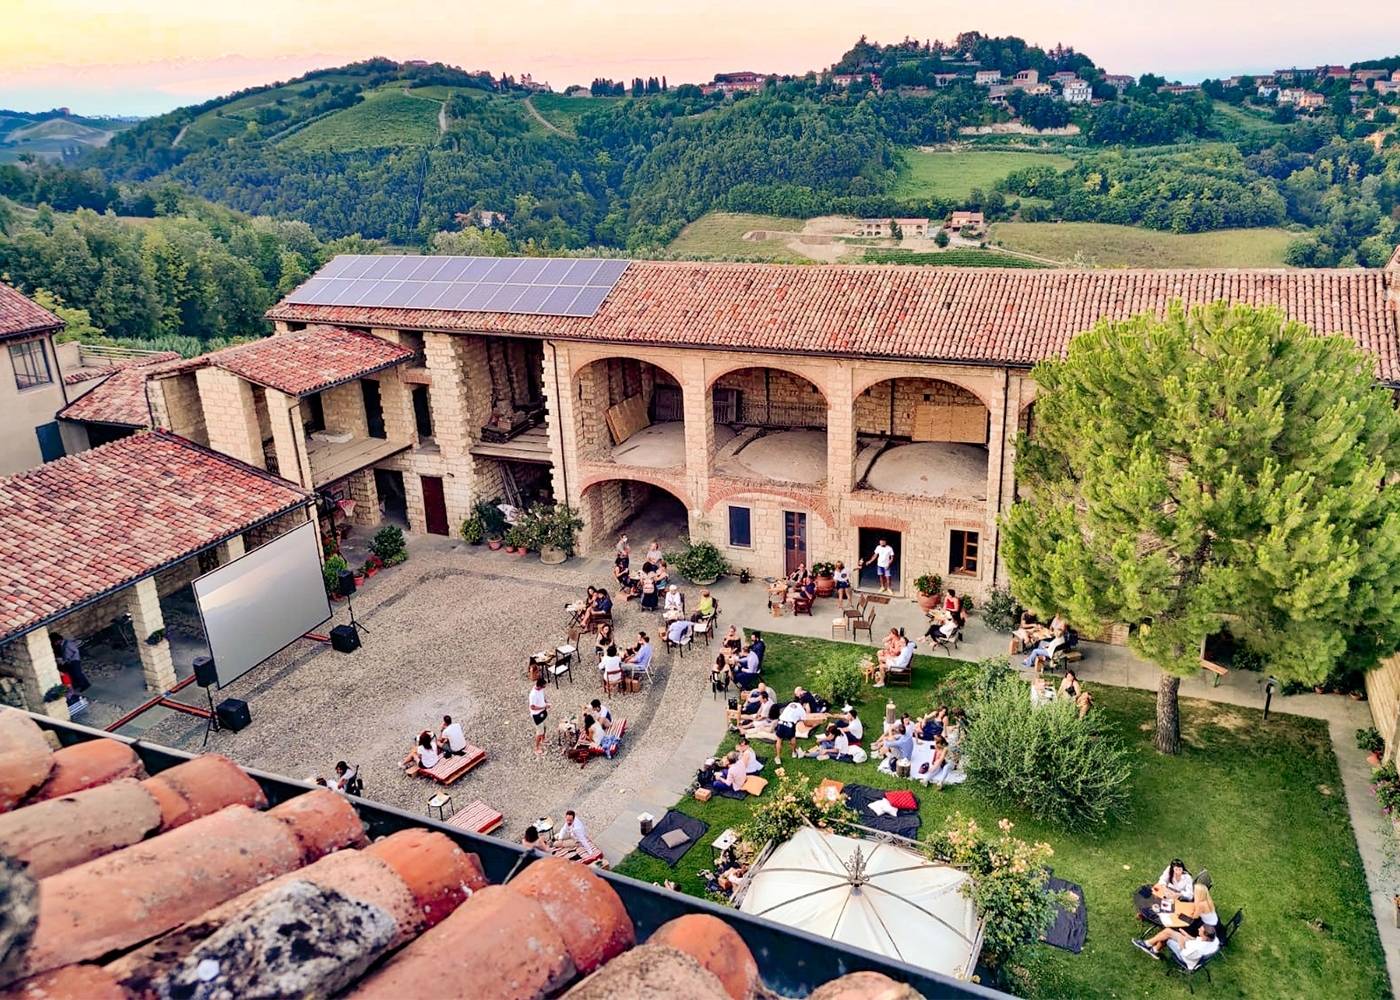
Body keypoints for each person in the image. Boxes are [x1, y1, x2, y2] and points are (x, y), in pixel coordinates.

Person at [1133, 923, 1219, 969]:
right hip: (1190, 948)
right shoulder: (1211, 941)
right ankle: (1154, 950)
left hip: (1186, 957)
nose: (1198, 929)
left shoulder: (1199, 948)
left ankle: (1147, 944)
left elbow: (1184, 953)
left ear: (1205, 935)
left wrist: (1180, 940)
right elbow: (1194, 940)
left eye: (1201, 930)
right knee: (1170, 932)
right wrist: (1183, 933)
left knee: (1168, 935)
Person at [529, 679, 551, 757]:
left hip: (543, 711)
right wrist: (543, 706)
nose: (544, 688)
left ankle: (543, 740)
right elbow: (532, 707)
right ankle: (536, 747)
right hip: (537, 715)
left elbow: (542, 697)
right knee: (539, 732)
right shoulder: (533, 695)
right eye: (543, 686)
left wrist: (546, 702)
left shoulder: (540, 690)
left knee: (545, 727)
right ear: (539, 686)